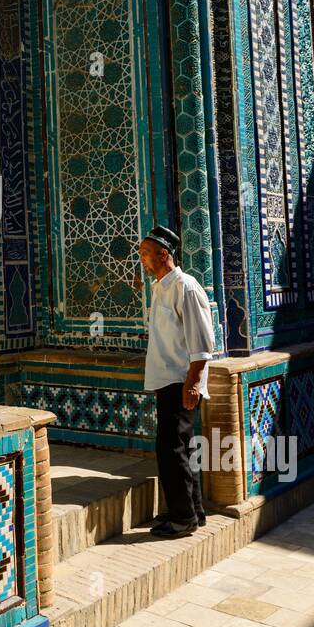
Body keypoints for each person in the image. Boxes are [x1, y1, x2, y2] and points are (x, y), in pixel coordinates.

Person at [139, 225, 217, 539]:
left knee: (172, 450)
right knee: (179, 449)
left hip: (180, 382)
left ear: (162, 254)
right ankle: (191, 512)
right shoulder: (161, 287)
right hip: (167, 381)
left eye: (145, 253)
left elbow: (201, 342)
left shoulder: (186, 286)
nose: (142, 259)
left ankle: (183, 518)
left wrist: (194, 383)